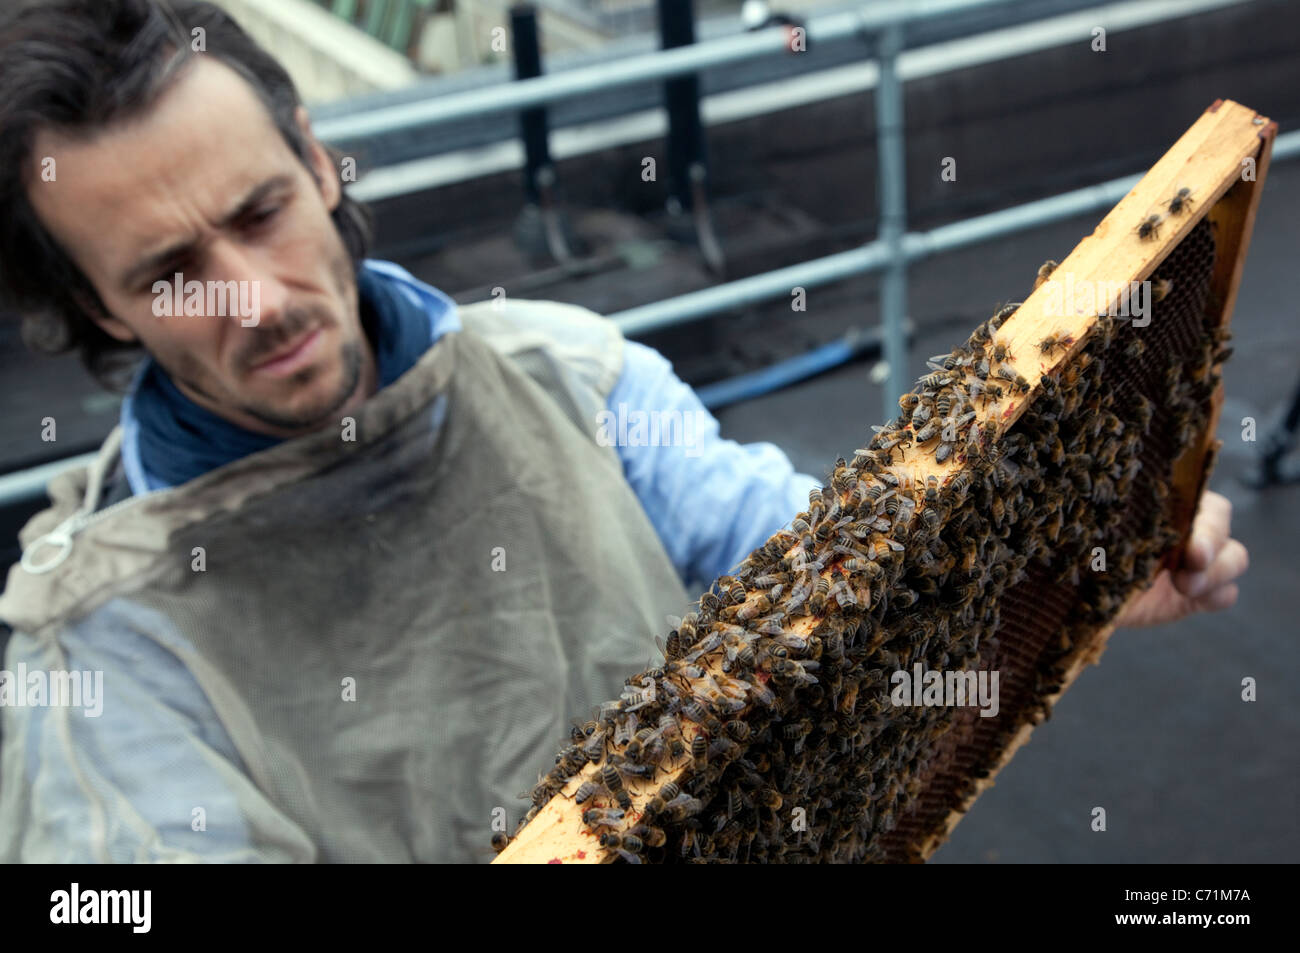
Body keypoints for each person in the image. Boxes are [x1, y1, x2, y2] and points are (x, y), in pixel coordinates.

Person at [0, 0, 1247, 863]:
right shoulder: (101, 667)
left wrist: (1056, 556)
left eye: (260, 209)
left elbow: (811, 553)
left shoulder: (566, 369)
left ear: (319, 161)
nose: (254, 297)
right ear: (93, 306)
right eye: (170, 272)